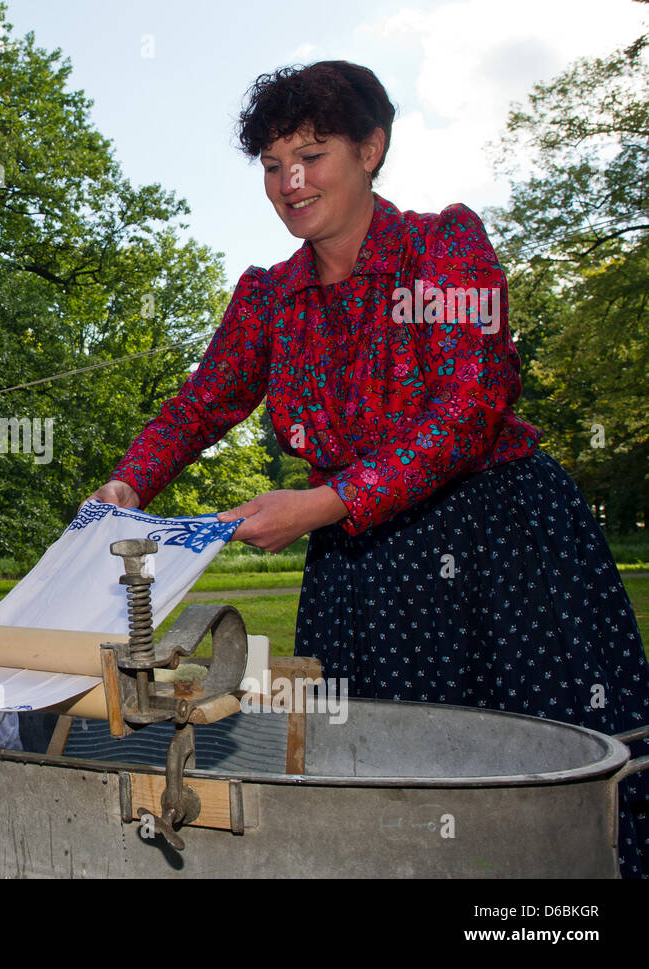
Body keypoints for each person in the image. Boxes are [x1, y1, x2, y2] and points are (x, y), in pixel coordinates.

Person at [93, 61, 649, 877]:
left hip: (496, 543)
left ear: (371, 147)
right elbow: (199, 406)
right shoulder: (269, 298)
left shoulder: (444, 246)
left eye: (312, 156)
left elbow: (471, 407)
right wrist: (129, 482)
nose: (290, 182)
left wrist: (326, 501)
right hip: (361, 575)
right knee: (376, 788)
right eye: (273, 165)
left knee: (541, 780)